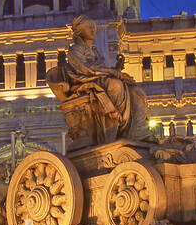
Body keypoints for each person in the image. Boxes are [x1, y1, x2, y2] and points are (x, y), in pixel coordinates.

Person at [53, 15, 149, 143]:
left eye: (94, 27)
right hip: (86, 81)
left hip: (99, 79)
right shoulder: (75, 49)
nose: (93, 30)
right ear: (79, 31)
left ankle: (136, 131)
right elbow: (87, 69)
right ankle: (117, 126)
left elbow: (101, 69)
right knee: (116, 85)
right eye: (89, 27)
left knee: (136, 91)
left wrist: (117, 69)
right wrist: (115, 73)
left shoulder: (94, 50)